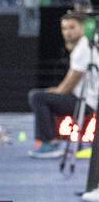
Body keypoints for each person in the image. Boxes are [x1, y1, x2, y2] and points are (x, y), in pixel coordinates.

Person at [28, 11, 98, 157]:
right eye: (64, 28)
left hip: (86, 104)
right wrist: (54, 91)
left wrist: (54, 91)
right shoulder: (82, 47)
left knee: (37, 97)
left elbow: (68, 86)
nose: (67, 32)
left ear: (82, 28)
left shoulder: (82, 50)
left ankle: (49, 144)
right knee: (44, 96)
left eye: (72, 27)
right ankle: (51, 140)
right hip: (81, 99)